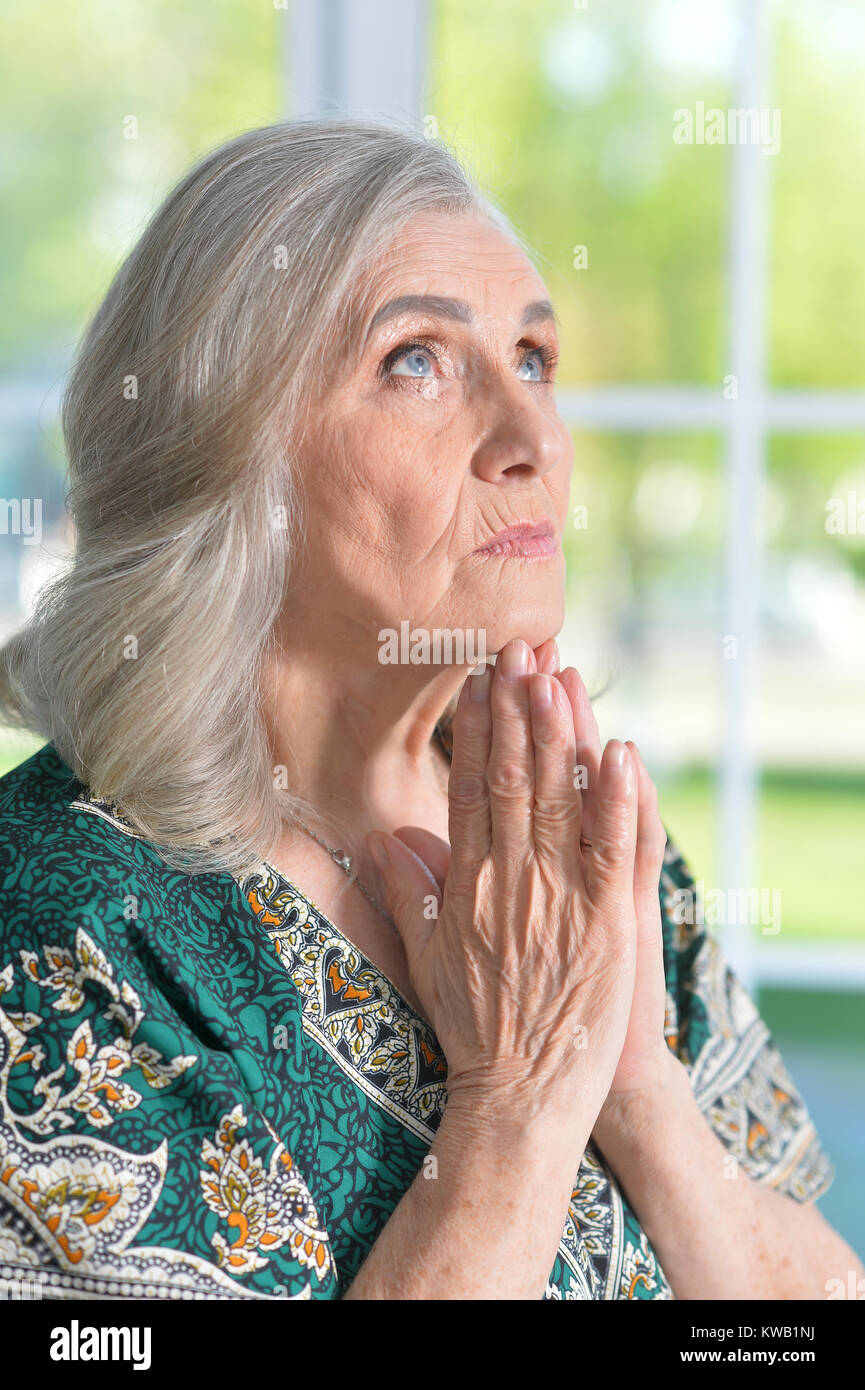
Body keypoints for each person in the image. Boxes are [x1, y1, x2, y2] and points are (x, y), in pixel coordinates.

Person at [0, 118, 860, 1301]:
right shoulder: (58, 928)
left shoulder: (577, 835)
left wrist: (637, 1092)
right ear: (224, 450)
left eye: (533, 360)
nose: (533, 439)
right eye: (417, 359)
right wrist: (513, 1109)